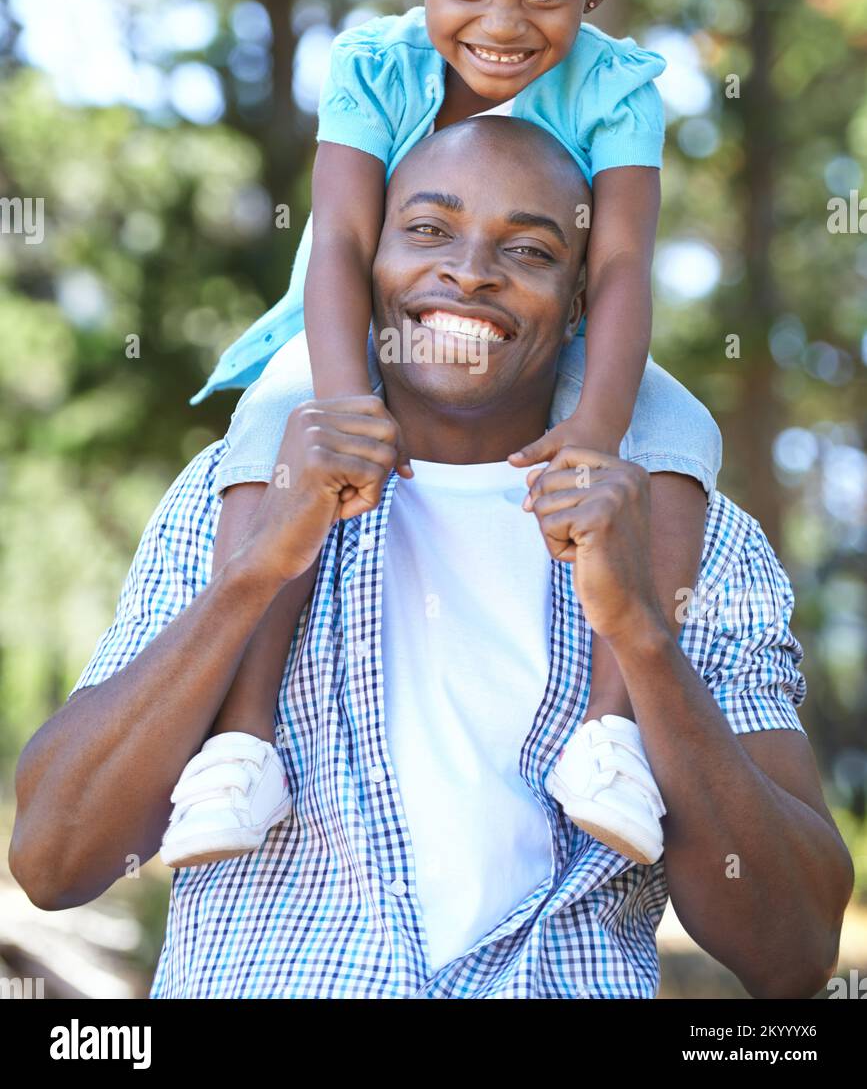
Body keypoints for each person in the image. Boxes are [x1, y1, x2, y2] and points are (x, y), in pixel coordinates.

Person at [9, 120, 853, 999]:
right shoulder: (236, 495)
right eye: (426, 230)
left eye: (529, 248)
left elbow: (793, 949)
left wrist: (642, 634)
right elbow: (55, 859)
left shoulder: (698, 541)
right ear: (362, 266)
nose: (470, 271)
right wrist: (253, 573)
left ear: (579, 302)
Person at [169, 0, 723, 868]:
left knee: (683, 440)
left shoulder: (617, 90)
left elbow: (616, 272)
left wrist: (601, 428)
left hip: (551, 339)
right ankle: (240, 744)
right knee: (269, 434)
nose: (504, 23)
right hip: (353, 326)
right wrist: (338, 401)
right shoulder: (372, 64)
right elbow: (336, 245)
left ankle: (612, 734)